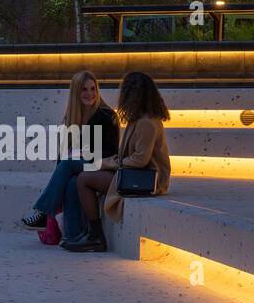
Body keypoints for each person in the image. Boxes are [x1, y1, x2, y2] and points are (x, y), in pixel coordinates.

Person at [63, 71, 171, 253]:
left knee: (82, 178)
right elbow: (126, 157)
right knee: (75, 175)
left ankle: (95, 236)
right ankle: (83, 233)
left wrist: (108, 164)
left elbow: (140, 159)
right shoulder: (138, 119)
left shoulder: (147, 122)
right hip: (131, 173)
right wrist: (106, 162)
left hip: (146, 179)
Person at [20, 71, 119, 236]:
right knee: (72, 181)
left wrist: (82, 154)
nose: (90, 94)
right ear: (76, 92)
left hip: (102, 167)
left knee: (69, 164)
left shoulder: (107, 116)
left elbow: (111, 152)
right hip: (79, 167)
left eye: (93, 89)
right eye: (84, 89)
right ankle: (73, 236)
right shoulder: (71, 118)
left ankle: (43, 213)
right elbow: (63, 154)